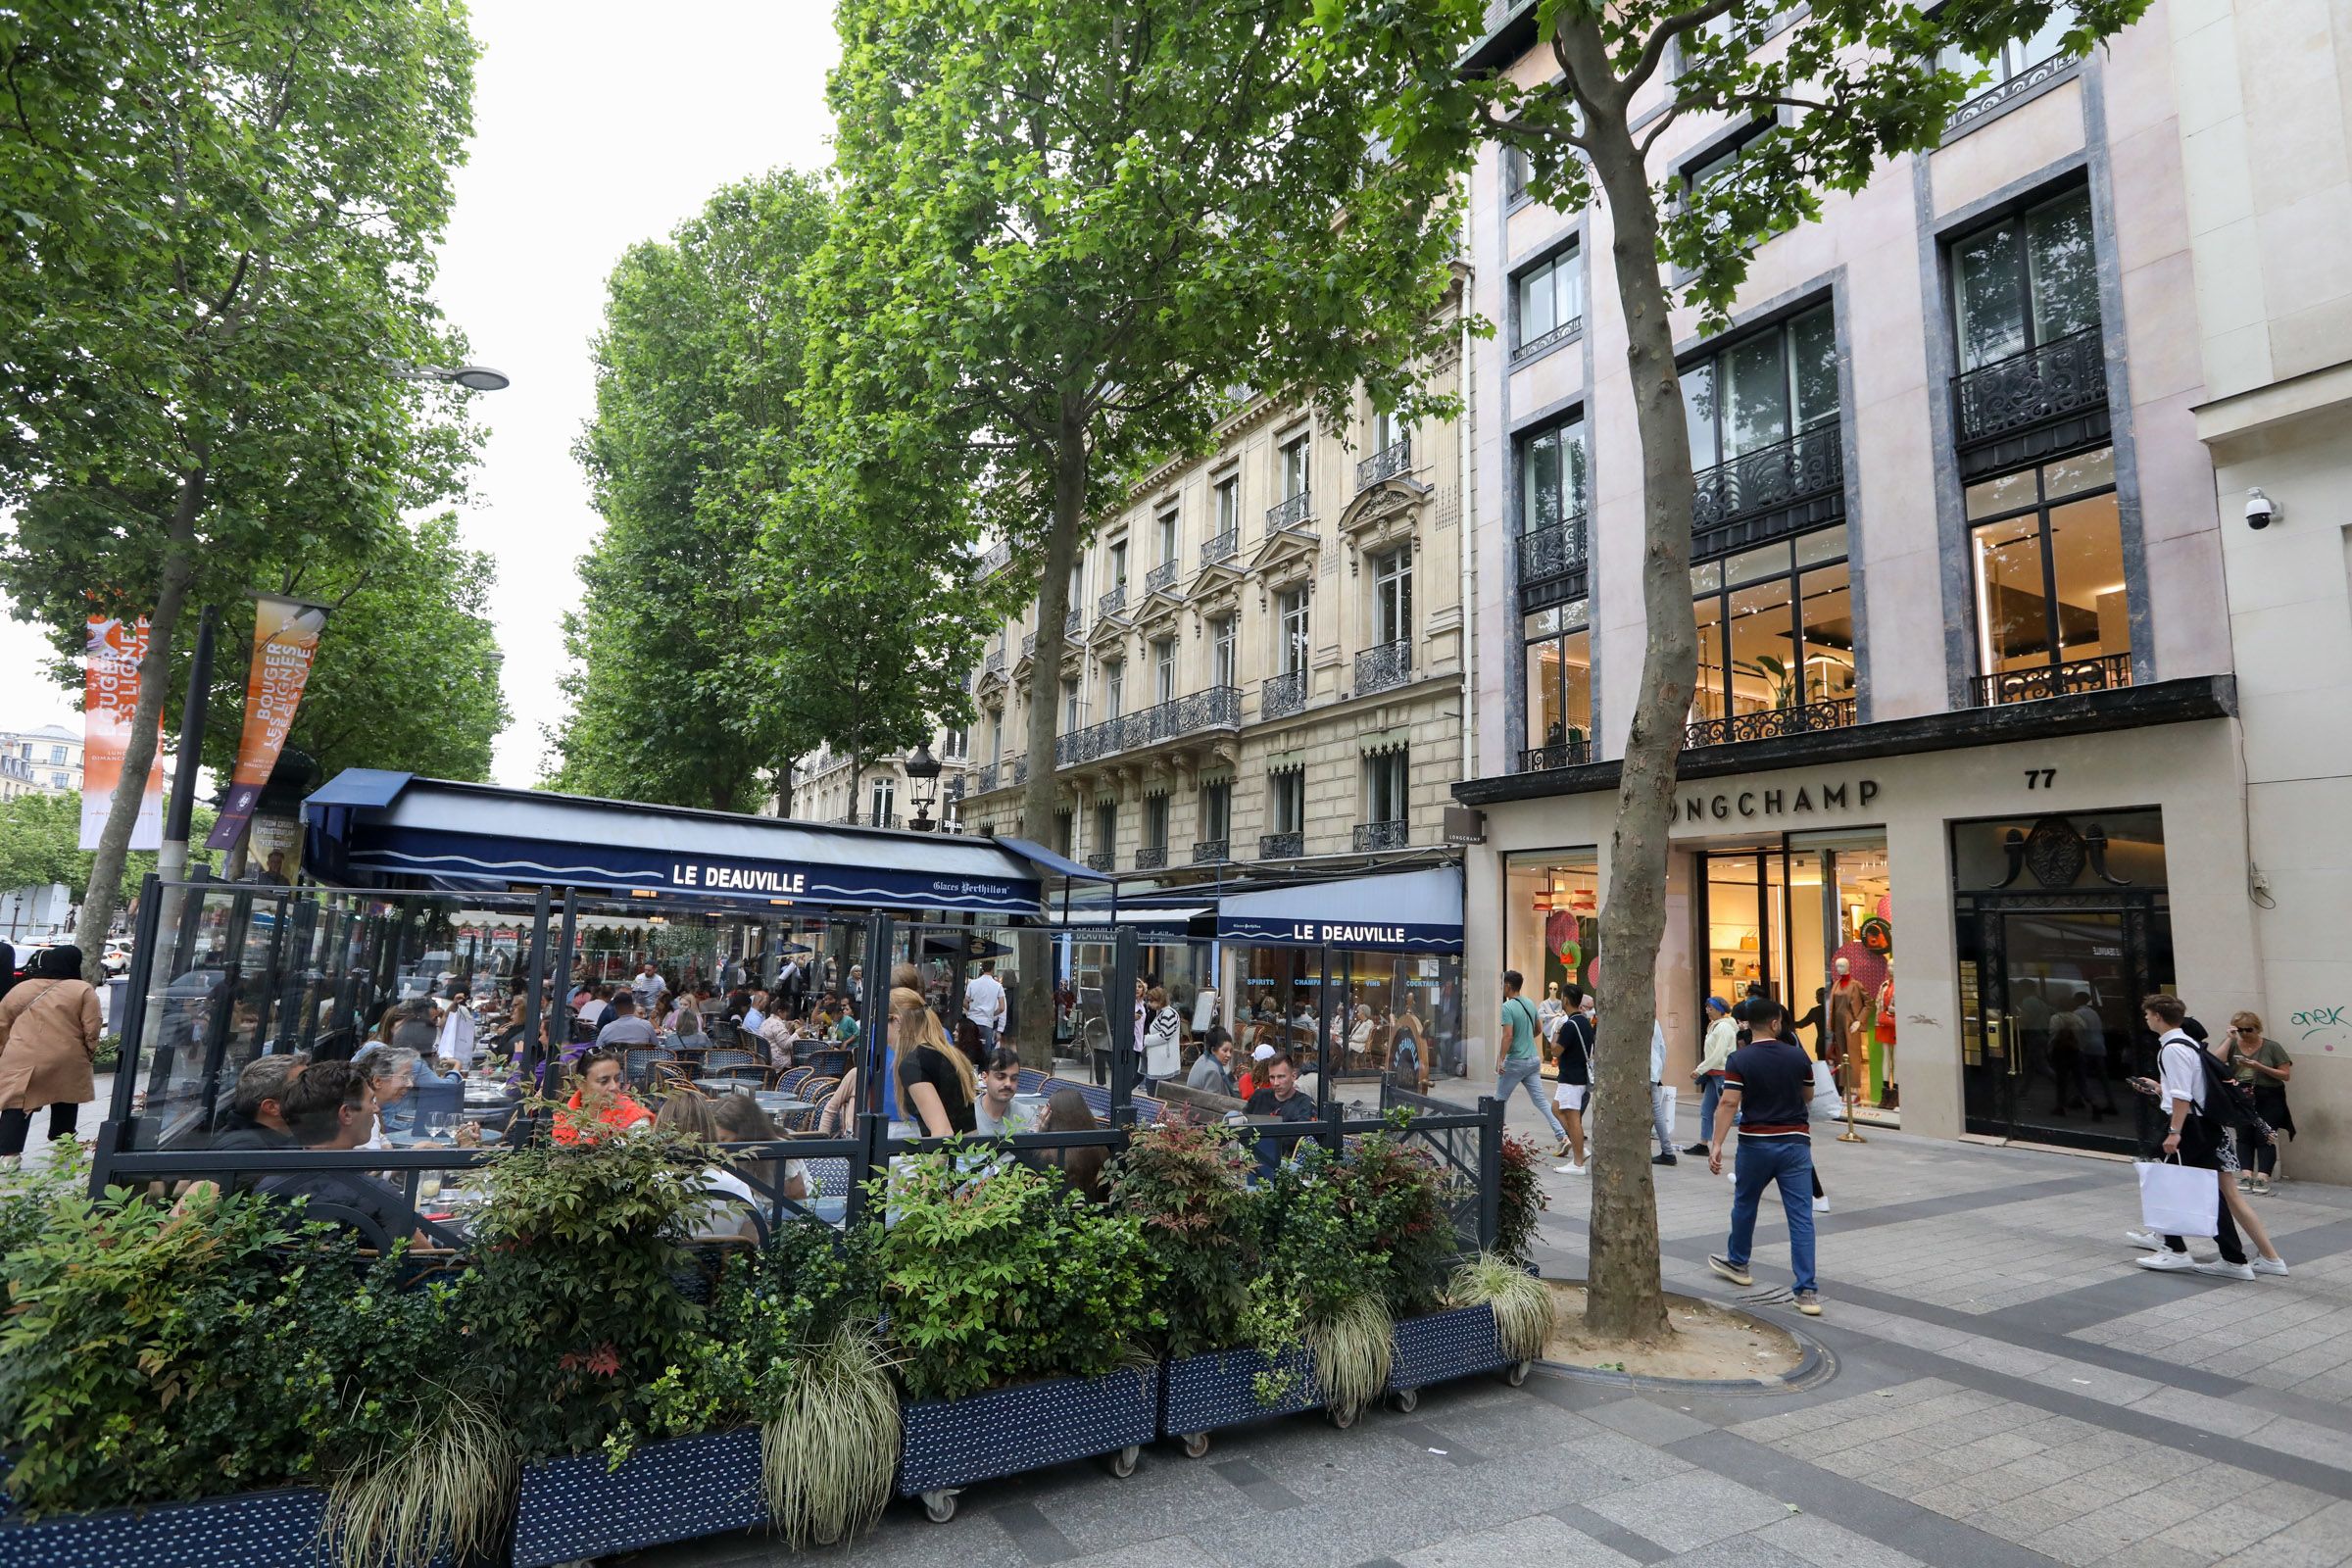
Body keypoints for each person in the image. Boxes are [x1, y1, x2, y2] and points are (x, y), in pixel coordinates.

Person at [1706, 997, 1822, 1315]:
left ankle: (1739, 1263)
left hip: (1755, 1142)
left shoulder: (1739, 1060)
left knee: (1745, 1203)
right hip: (1796, 1144)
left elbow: (1729, 1103)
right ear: (1775, 1023)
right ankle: (1807, 1291)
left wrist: (1716, 1144)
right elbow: (1809, 1095)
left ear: (1748, 1025)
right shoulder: (1798, 1056)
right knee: (1800, 1217)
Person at [2131, 996, 2254, 1280]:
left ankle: (2175, 1250)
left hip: (2188, 1127)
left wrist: (2174, 1132)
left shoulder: (2173, 1049)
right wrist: (2161, 1089)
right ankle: (2233, 1259)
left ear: (2159, 1017)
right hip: (2199, 1125)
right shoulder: (2187, 1044)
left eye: (2148, 1014)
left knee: (2165, 1184)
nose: (2146, 1019)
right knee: (2207, 1191)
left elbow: (2183, 1095)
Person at [256, 1061, 427, 1248]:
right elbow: (431, 1263)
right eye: (371, 1101)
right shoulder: (378, 1197)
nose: (376, 1109)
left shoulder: (266, 1191)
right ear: (346, 1114)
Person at [0, 943, 103, 1162]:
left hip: (21, 1056)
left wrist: (4, 1050)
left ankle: (10, 1155)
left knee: (16, 1102)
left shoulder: (22, 988)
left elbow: (3, 1023)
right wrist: (89, 1052)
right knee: (65, 1099)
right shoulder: (82, 990)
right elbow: (92, 1027)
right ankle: (63, 1146)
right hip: (66, 1056)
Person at [1495, 970, 1569, 1152]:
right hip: (1533, 1060)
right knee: (1541, 1101)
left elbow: (1508, 1036)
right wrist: (1526, 1038)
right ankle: (1562, 1135)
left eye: (1502, 984)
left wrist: (1500, 1059)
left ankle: (1494, 1138)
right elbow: (1538, 1029)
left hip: (1516, 1061)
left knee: (1499, 1100)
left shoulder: (1507, 1007)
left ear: (1508, 986)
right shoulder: (1529, 1003)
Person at [894, 992, 978, 1137]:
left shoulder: (913, 1063)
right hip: (972, 1153)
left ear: (897, 1021)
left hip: (951, 1156)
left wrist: (931, 1161)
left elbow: (943, 1132)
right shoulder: (951, 1054)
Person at [2228, 1011, 2293, 1195]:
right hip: (2241, 1095)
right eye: (2240, 1030)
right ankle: (2246, 1174)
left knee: (2266, 1135)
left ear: (2258, 1028)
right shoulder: (2233, 1044)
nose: (2245, 1033)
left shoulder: (2272, 1047)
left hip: (2268, 1095)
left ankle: (2263, 1177)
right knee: (2244, 1135)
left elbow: (2285, 1075)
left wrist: (2259, 1067)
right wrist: (2229, 1038)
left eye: (2249, 1029)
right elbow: (2215, 1061)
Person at [710, 1093, 808, 1203]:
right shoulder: (725, 1154)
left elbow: (799, 1200)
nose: (717, 1148)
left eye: (723, 1140)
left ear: (744, 1136)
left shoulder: (778, 1152)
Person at [554, 1046, 654, 1145]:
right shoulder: (560, 1119)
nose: (614, 1086)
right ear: (580, 1083)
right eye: (603, 1081)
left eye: (617, 1079)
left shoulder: (636, 1119)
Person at [213, 1054, 309, 1152]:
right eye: (305, 1089)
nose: (315, 1091)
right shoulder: (246, 1150)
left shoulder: (280, 1138)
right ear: (272, 1107)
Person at [1550, 982, 1595, 1175]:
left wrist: (1556, 1032)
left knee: (1573, 1118)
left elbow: (1556, 1050)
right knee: (1556, 1108)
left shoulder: (1569, 1025)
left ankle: (1577, 1163)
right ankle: (1580, 1150)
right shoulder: (1584, 1021)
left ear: (1566, 1000)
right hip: (1576, 1076)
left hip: (1571, 1077)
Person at [1032, 1088, 1107, 1200]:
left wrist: (1040, 1134)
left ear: (1051, 1114)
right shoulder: (1103, 1149)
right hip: (1099, 1213)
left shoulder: (1046, 1156)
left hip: (1059, 1213)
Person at [1687, 997, 1737, 1157]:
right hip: (1713, 1074)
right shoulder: (1714, 1026)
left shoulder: (1723, 1028)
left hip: (1721, 1073)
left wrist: (1700, 1069)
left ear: (1719, 1010)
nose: (1707, 1009)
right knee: (1706, 1110)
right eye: (1707, 1006)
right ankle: (1703, 1144)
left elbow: (1718, 1053)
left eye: (1711, 1007)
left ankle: (1758, 1135)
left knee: (1734, 1115)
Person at [974, 1047, 1035, 1135]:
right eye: (1000, 1077)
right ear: (984, 1077)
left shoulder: (1026, 1116)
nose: (1008, 1084)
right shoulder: (967, 1115)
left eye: (1014, 1078)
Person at [1244, 1053, 1319, 1123]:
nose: (1276, 1083)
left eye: (1281, 1077)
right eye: (1272, 1077)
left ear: (1293, 1076)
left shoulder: (1305, 1104)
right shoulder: (1259, 1096)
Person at [1648, 1016, 1679, 1165]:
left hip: (1646, 1071)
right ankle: (1667, 1151)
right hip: (1653, 1069)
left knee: (1655, 1110)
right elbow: (1662, 1047)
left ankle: (1667, 1151)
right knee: (1655, 1110)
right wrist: (1659, 1071)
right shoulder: (1654, 1022)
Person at [1142, 985, 1183, 1088]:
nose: (1149, 1004)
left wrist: (1146, 1039)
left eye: (1152, 1001)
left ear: (1160, 1001)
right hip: (1160, 1061)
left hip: (1162, 1063)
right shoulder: (1162, 1012)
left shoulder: (1168, 1013)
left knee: (1155, 1091)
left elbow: (1165, 1036)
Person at [964, 958, 1006, 1049]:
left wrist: (971, 1009)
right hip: (987, 1022)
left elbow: (965, 1001)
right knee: (985, 1053)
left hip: (972, 1020)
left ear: (982, 968)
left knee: (970, 1048)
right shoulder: (998, 986)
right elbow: (1002, 1008)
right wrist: (991, 1013)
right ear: (993, 968)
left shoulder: (972, 983)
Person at [1186, 1029, 1238, 1096]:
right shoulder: (1213, 1071)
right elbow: (1212, 1101)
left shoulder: (1204, 1058)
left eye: (1230, 1051)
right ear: (1213, 1050)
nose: (1229, 1055)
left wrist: (1231, 1077)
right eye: (1225, 1051)